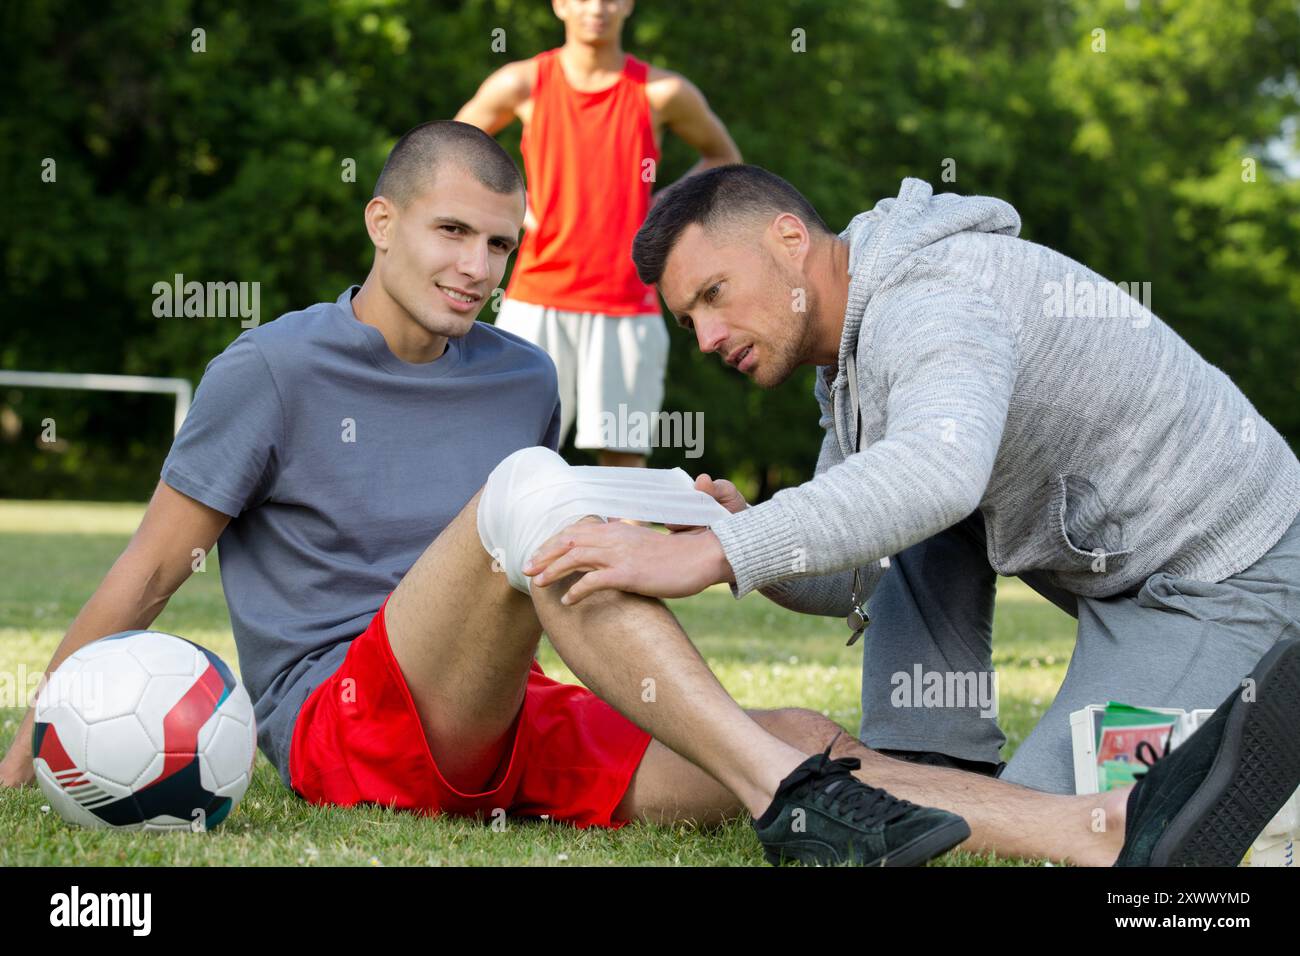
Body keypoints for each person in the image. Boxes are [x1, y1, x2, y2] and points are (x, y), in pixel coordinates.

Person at [523, 164, 1300, 864]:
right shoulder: (849, 362)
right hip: (1130, 586)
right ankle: (927, 760)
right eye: (689, 320)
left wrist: (719, 551)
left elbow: (939, 471)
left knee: (1068, 830)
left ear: (789, 239)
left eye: (714, 295)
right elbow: (856, 567)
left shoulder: (932, 298)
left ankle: (1278, 808)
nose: (707, 337)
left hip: (1226, 581)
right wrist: (736, 533)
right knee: (901, 534)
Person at [456, 0, 741, 466]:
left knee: (624, 470)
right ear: (560, 4)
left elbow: (724, 157)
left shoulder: (661, 91)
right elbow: (455, 145)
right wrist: (512, 205)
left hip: (627, 303)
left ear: (627, 4)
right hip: (535, 300)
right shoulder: (522, 82)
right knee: (507, 461)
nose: (597, 8)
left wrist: (662, 208)